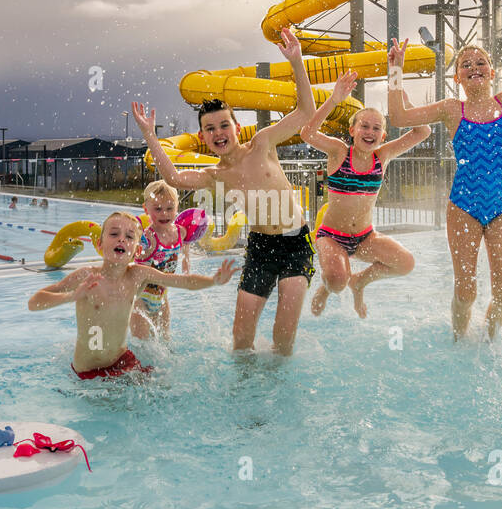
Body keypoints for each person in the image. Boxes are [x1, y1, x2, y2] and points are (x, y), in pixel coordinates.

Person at [137, 26, 317, 356]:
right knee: (241, 341)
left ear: (236, 127)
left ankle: (278, 394)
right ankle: (248, 400)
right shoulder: (214, 175)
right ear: (203, 137)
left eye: (224, 125)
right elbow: (174, 178)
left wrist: (296, 62)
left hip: (296, 242)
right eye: (210, 129)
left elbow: (306, 112)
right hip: (262, 246)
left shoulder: (262, 144)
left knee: (282, 338)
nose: (218, 132)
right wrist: (150, 135)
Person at [387, 10, 502, 340]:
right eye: (465, 65)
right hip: (464, 208)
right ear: (458, 79)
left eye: (480, 62)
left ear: (492, 72)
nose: (473, 67)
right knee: (466, 293)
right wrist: (395, 70)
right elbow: (398, 116)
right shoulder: (453, 109)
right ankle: (458, 338)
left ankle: (490, 339)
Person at [27, 211, 238, 379]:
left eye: (129, 237)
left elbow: (181, 281)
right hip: (89, 372)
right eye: (114, 234)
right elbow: (34, 302)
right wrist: (72, 296)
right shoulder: (86, 276)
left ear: (137, 252)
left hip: (123, 360)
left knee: (163, 389)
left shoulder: (137, 275)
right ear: (100, 245)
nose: (121, 240)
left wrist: (213, 281)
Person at [300, 70, 431, 318]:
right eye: (364, 126)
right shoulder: (340, 152)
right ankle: (327, 289)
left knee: (406, 263)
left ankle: (359, 281)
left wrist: (407, 106)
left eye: (376, 128)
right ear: (352, 130)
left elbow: (423, 132)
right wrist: (334, 99)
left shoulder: (382, 156)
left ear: (383, 136)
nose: (369, 132)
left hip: (364, 237)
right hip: (331, 236)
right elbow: (307, 134)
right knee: (337, 280)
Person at [131, 180, 192, 340]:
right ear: (146, 209)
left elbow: (185, 251)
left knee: (165, 341)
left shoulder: (181, 232)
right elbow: (133, 260)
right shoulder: (147, 238)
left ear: (177, 208)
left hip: (162, 298)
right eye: (157, 209)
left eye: (169, 208)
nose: (164, 213)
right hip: (140, 300)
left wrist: (186, 268)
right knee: (142, 345)